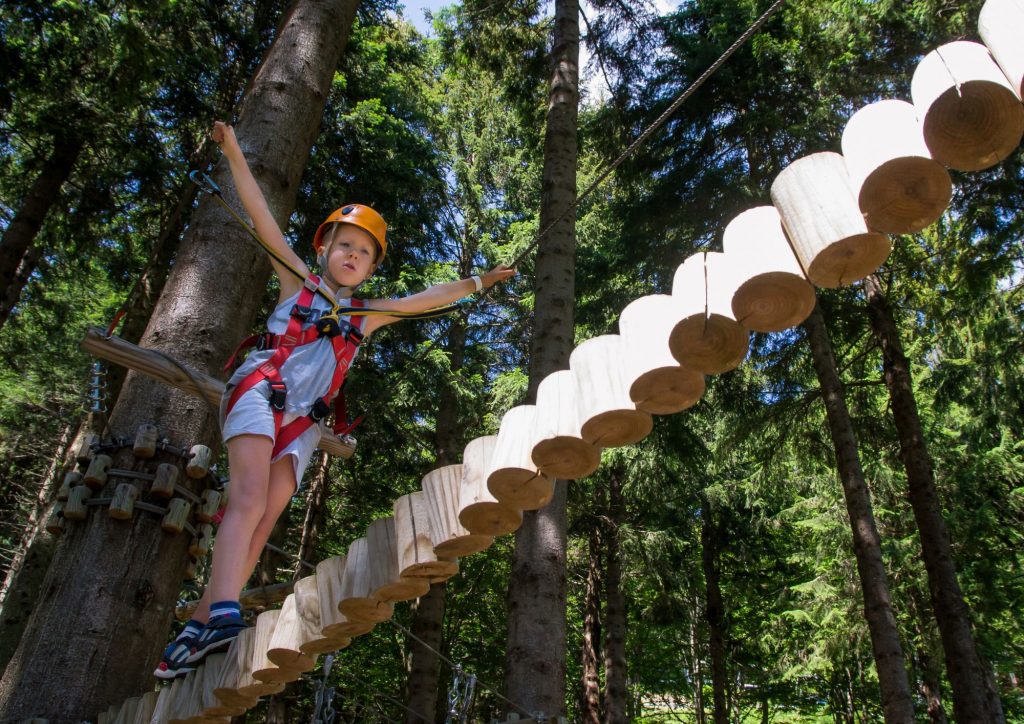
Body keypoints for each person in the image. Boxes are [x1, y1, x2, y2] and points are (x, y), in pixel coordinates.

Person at [155, 121, 514, 679]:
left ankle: (200, 625)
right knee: (247, 498)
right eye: (345, 244)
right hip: (260, 391)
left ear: (371, 268)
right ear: (324, 248)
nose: (352, 255)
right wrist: (232, 151)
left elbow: (422, 301)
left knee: (265, 515)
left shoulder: (364, 316)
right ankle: (225, 610)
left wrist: (478, 283)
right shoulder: (296, 280)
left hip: (300, 424)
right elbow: (263, 220)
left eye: (364, 253)